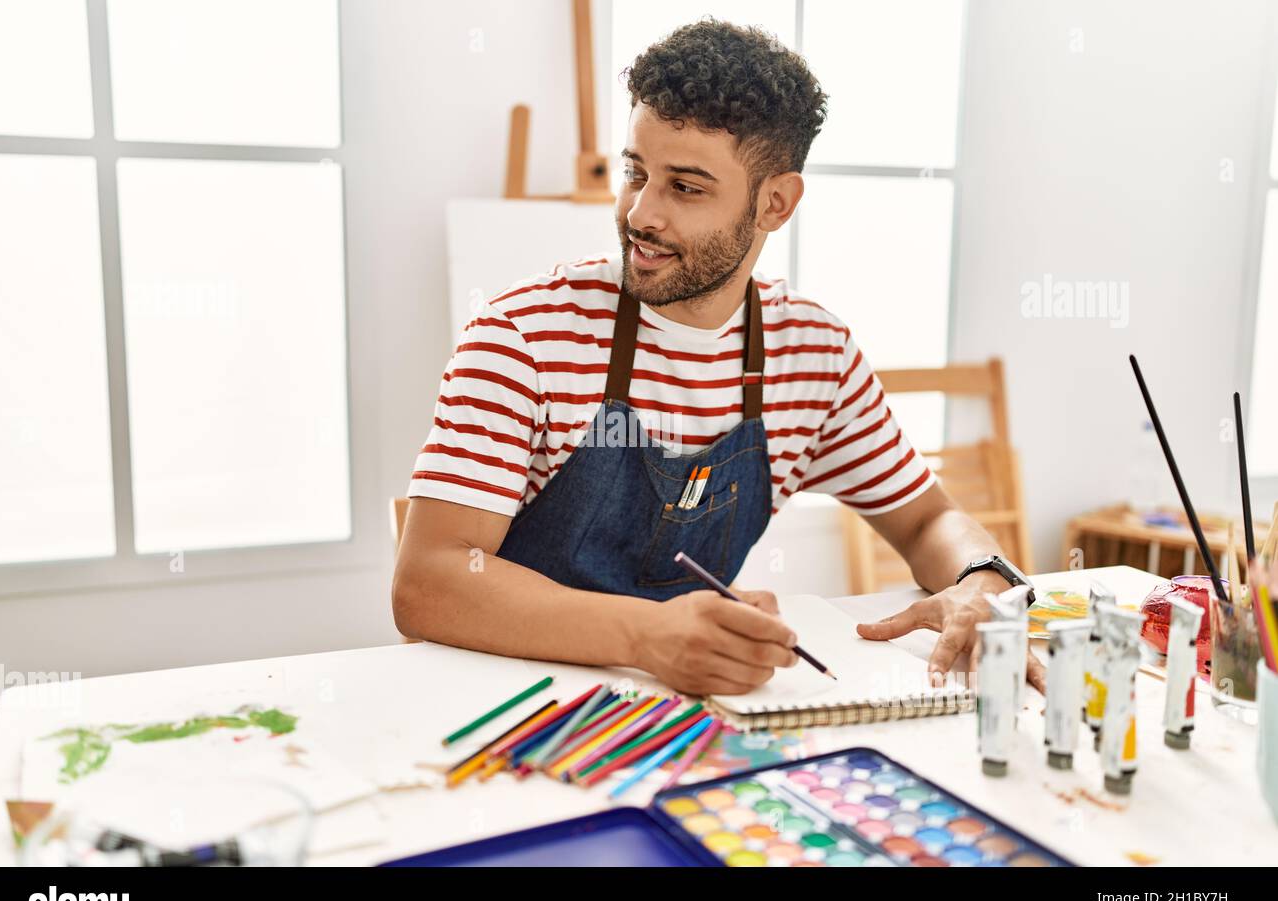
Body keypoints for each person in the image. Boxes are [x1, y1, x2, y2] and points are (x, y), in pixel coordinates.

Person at [393, 20, 1040, 696]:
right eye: (636, 172)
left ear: (776, 203)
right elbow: (431, 582)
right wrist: (646, 634)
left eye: (686, 187)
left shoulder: (813, 356)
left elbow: (928, 519)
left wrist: (981, 580)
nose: (641, 213)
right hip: (504, 709)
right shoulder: (523, 336)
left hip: (684, 710)